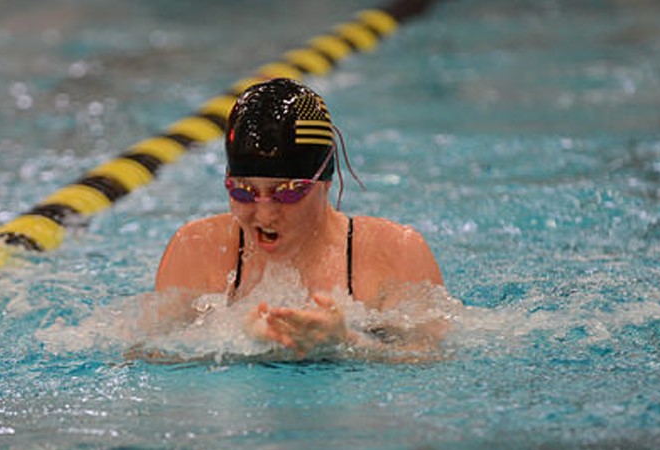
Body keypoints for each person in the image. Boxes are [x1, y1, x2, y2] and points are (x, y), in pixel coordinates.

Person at [150, 78, 449, 359]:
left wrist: (348, 343)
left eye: (289, 192)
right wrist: (234, 341)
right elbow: (147, 354)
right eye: (243, 191)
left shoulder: (395, 252)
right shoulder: (196, 249)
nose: (264, 213)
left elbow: (430, 359)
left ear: (326, 181)